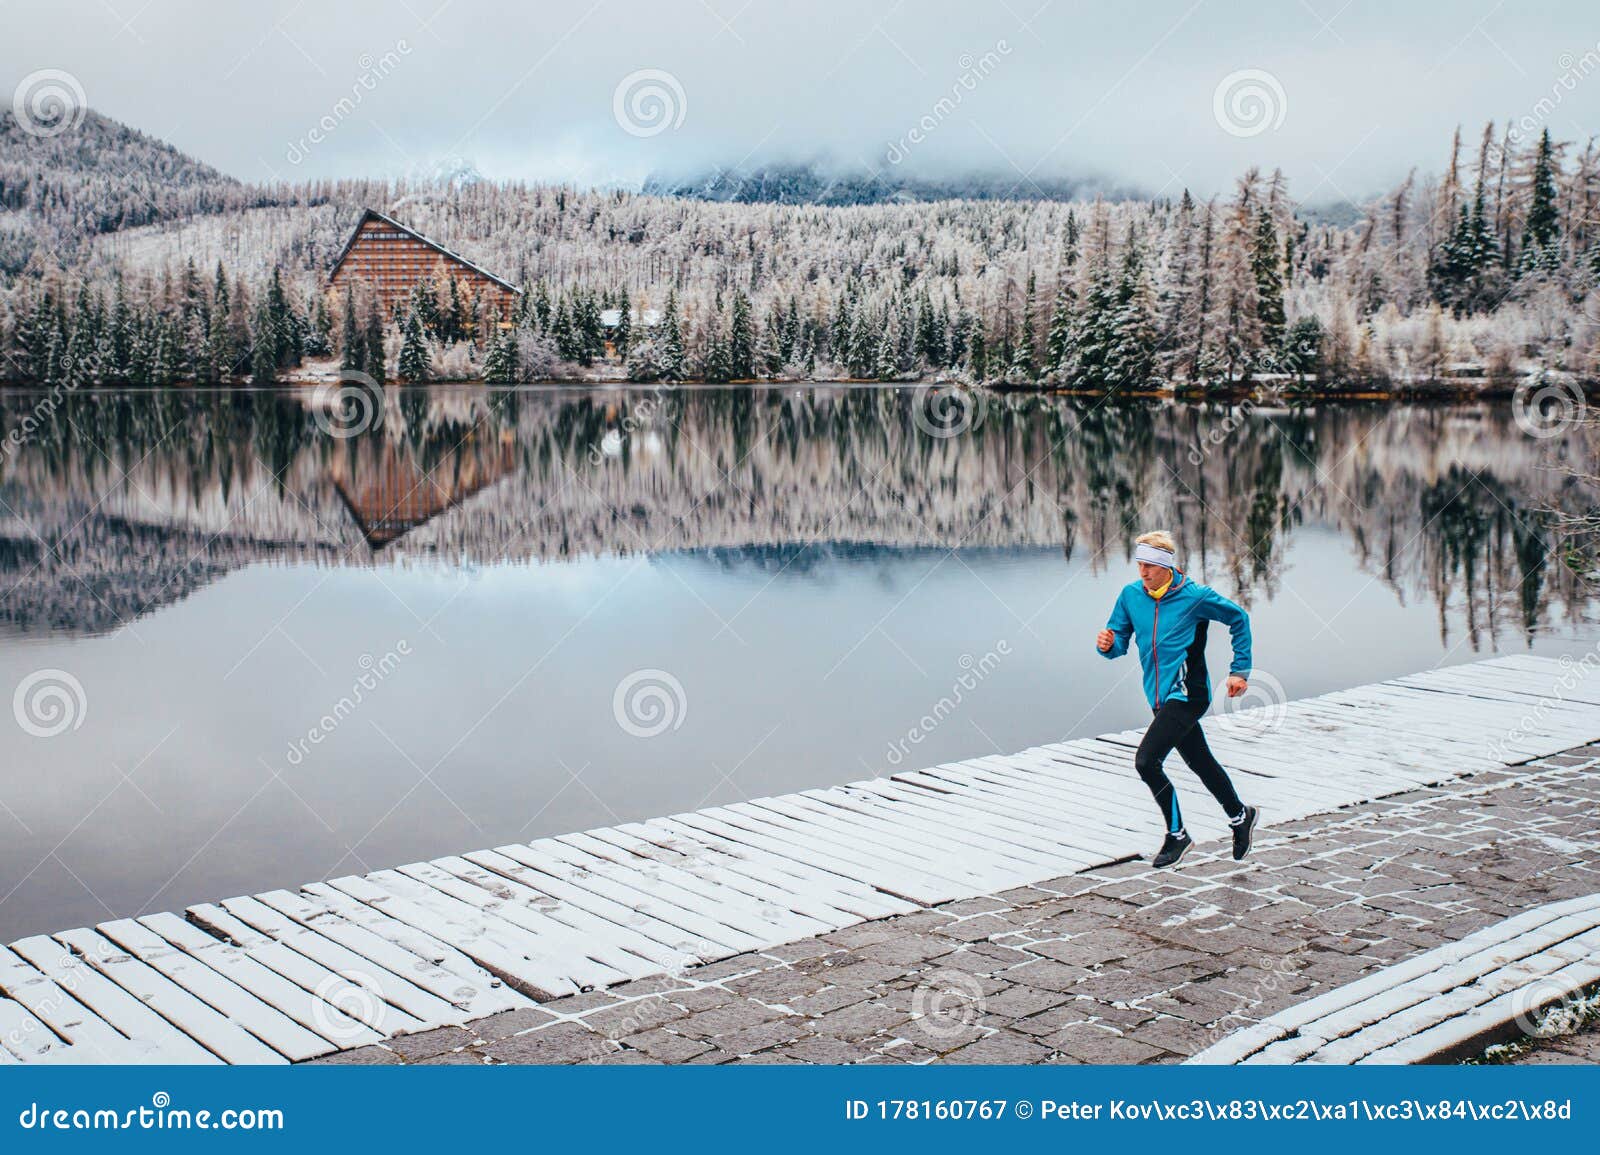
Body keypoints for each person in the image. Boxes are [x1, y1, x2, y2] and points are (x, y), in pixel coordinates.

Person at [1095, 530, 1259, 867]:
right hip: (1157, 696)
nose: (1143, 572)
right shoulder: (1130, 596)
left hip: (1187, 693)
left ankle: (1177, 835)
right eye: (1140, 564)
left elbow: (1238, 619)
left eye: (1150, 566)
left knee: (1146, 761)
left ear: (1166, 567)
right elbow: (1120, 642)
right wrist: (1107, 646)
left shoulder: (1194, 597)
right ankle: (1241, 815)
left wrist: (1240, 670)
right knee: (1200, 762)